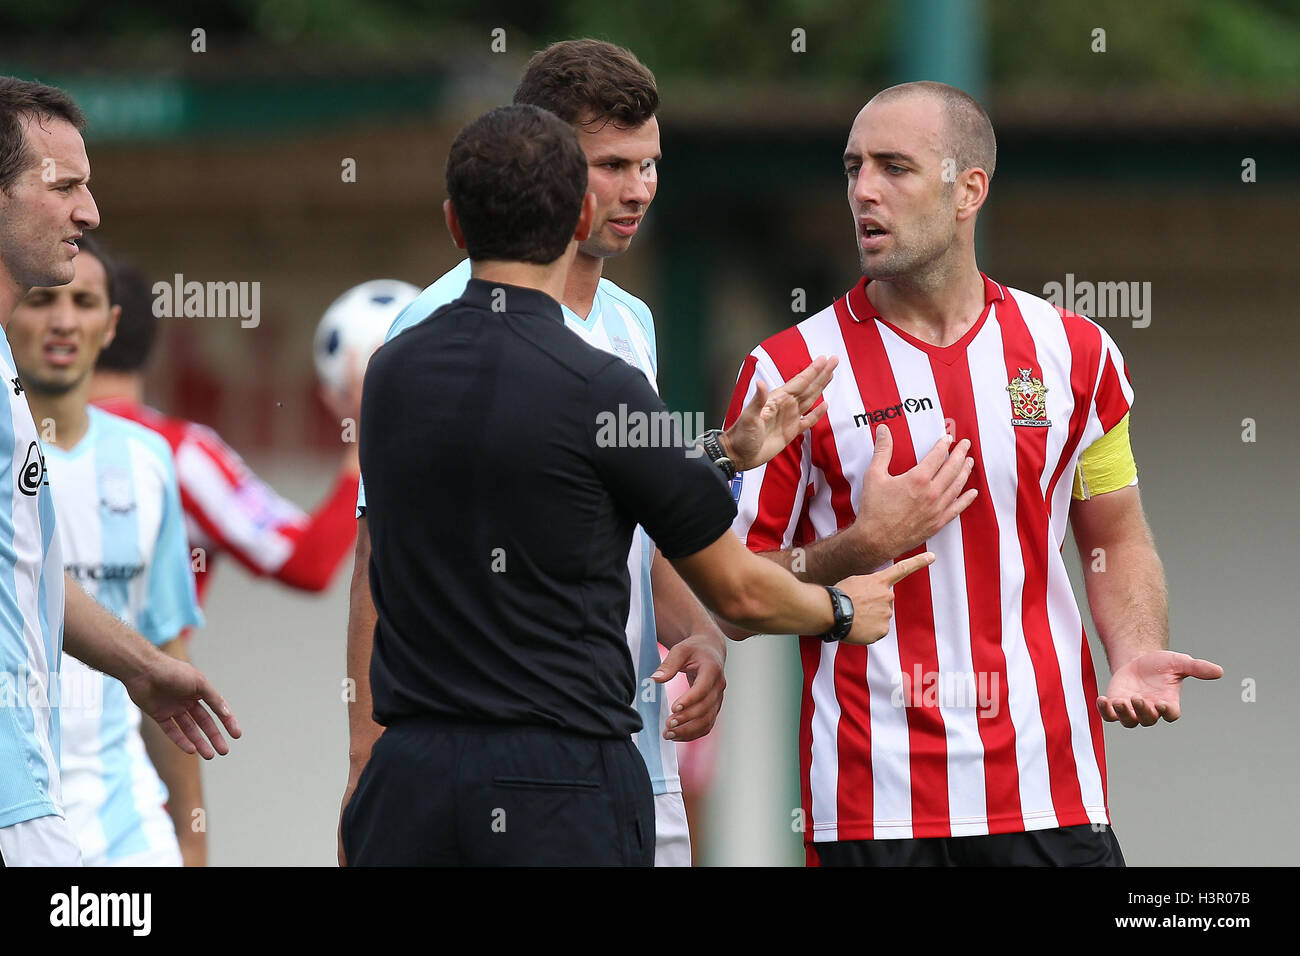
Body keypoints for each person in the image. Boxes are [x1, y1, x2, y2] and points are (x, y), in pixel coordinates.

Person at [341, 103, 932, 867]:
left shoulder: (392, 371)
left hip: (413, 783)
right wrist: (842, 608)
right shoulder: (598, 384)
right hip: (558, 782)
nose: (637, 187)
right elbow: (738, 590)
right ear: (578, 212)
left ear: (455, 224)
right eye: (615, 169)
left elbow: (560, 476)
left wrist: (723, 451)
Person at [724, 81, 1224, 866]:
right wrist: (861, 545)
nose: (863, 191)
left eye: (895, 167)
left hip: (1048, 795)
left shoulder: (1076, 354)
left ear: (969, 190)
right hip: (873, 807)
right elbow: (739, 592)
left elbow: (1117, 535)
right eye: (853, 167)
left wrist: (1131, 651)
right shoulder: (790, 372)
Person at [0, 75, 237, 867]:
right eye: (63, 186)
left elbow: (27, 570)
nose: (89, 212)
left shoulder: (144, 458)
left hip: (64, 806)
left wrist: (145, 668)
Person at [9, 235, 206, 866]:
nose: (63, 320)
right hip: (21, 810)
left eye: (84, 301)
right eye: (41, 301)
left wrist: (193, 839)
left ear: (110, 324)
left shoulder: (149, 462)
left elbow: (165, 653)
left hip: (128, 824)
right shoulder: (6, 459)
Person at [89, 266, 366, 606]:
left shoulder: (23, 442)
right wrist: (367, 436)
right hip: (140, 660)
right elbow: (308, 562)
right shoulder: (180, 454)